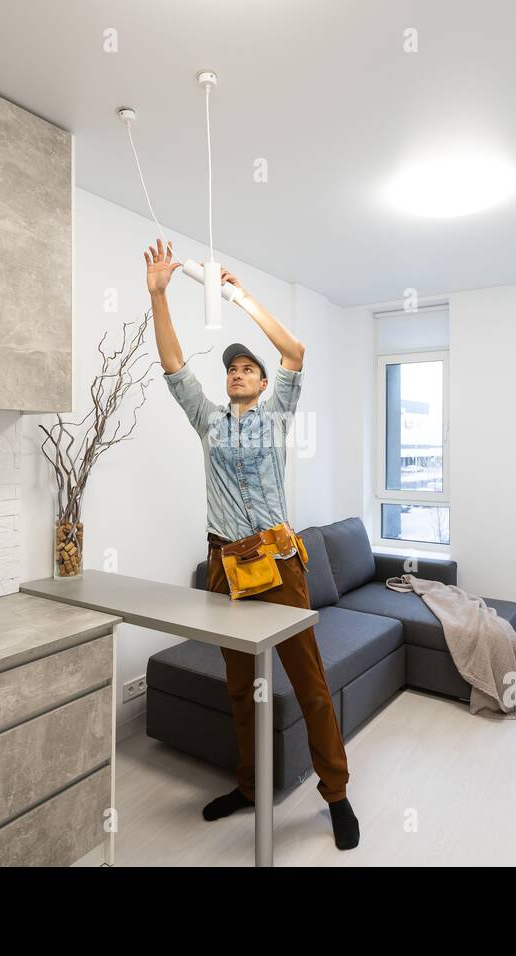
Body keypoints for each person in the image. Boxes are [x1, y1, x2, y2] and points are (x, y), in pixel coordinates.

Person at [144, 238, 360, 851]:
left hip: (281, 563)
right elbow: (173, 366)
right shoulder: (209, 420)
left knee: (309, 682)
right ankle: (248, 785)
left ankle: (336, 795)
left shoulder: (278, 414)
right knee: (241, 685)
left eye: (248, 370)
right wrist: (160, 294)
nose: (237, 373)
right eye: (232, 369)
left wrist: (238, 297)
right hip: (225, 568)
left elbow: (295, 349)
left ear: (264, 384)